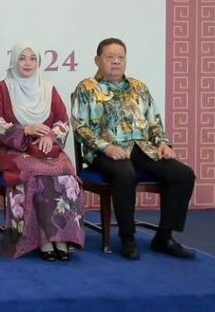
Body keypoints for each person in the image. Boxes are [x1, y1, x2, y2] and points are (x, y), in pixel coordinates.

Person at [71, 37, 196, 260]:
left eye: (121, 57)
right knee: (125, 174)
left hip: (142, 147)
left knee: (183, 174)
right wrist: (106, 147)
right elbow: (80, 127)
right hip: (105, 150)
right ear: (97, 60)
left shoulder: (139, 87)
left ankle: (164, 237)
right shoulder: (87, 88)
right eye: (110, 57)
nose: (116, 62)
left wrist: (163, 144)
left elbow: (154, 122)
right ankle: (128, 237)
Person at [0, 42, 84, 260]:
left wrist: (50, 136)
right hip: (10, 149)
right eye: (22, 58)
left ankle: (62, 237)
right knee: (35, 171)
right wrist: (24, 130)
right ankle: (44, 240)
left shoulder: (48, 89)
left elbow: (62, 120)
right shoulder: (2, 89)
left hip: (46, 148)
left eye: (32, 58)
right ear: (14, 61)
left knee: (65, 170)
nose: (27, 63)